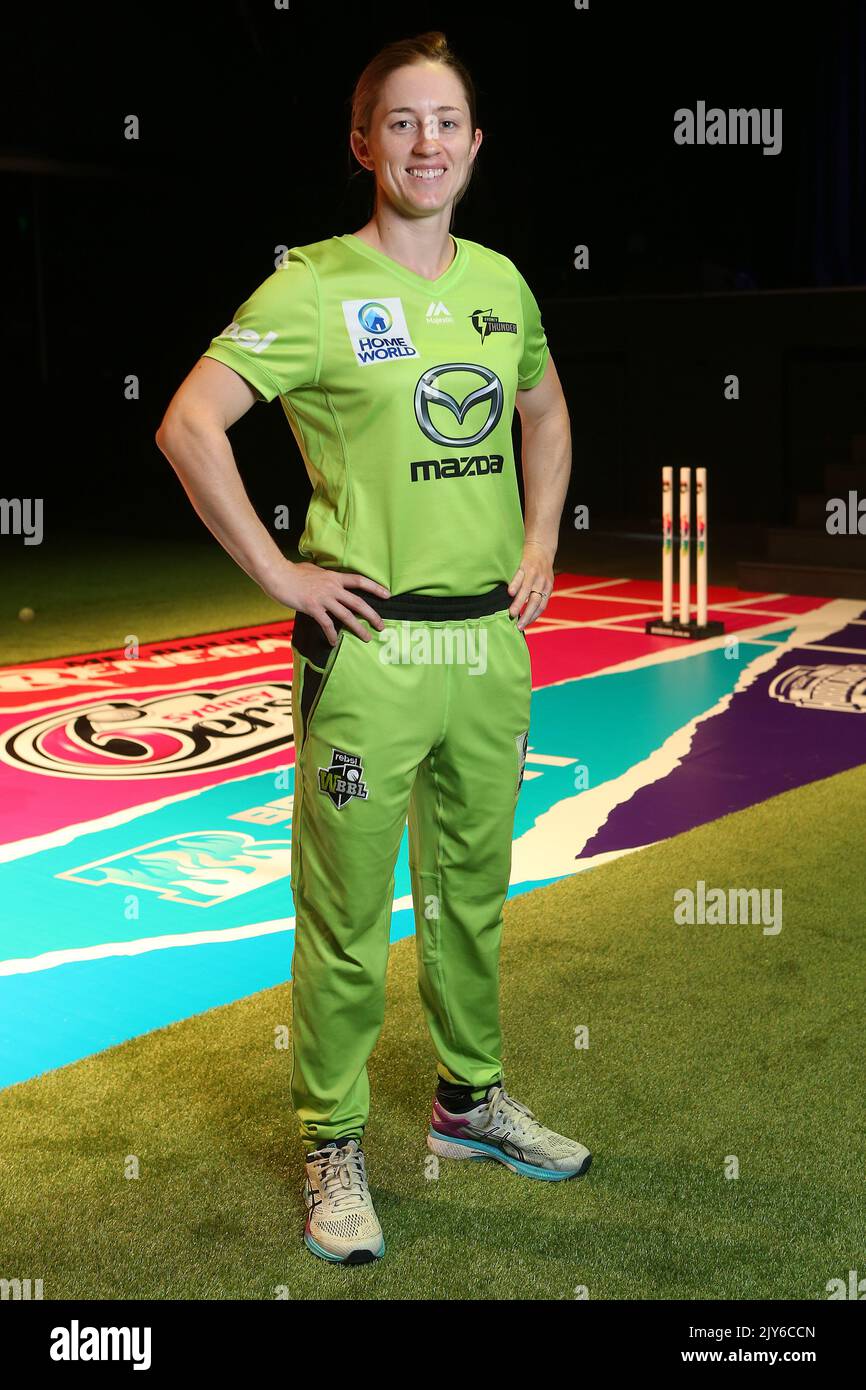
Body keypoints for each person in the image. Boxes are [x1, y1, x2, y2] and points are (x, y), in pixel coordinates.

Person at [155, 29, 590, 1267]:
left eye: (445, 121)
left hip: (488, 649)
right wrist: (281, 570)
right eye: (400, 122)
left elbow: (547, 407)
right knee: (347, 914)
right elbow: (190, 423)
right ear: (363, 143)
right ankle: (332, 1142)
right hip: (374, 651)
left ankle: (468, 1103)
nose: (425, 143)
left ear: (474, 144)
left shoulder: (502, 284)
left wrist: (543, 534)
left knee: (473, 896)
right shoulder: (310, 288)